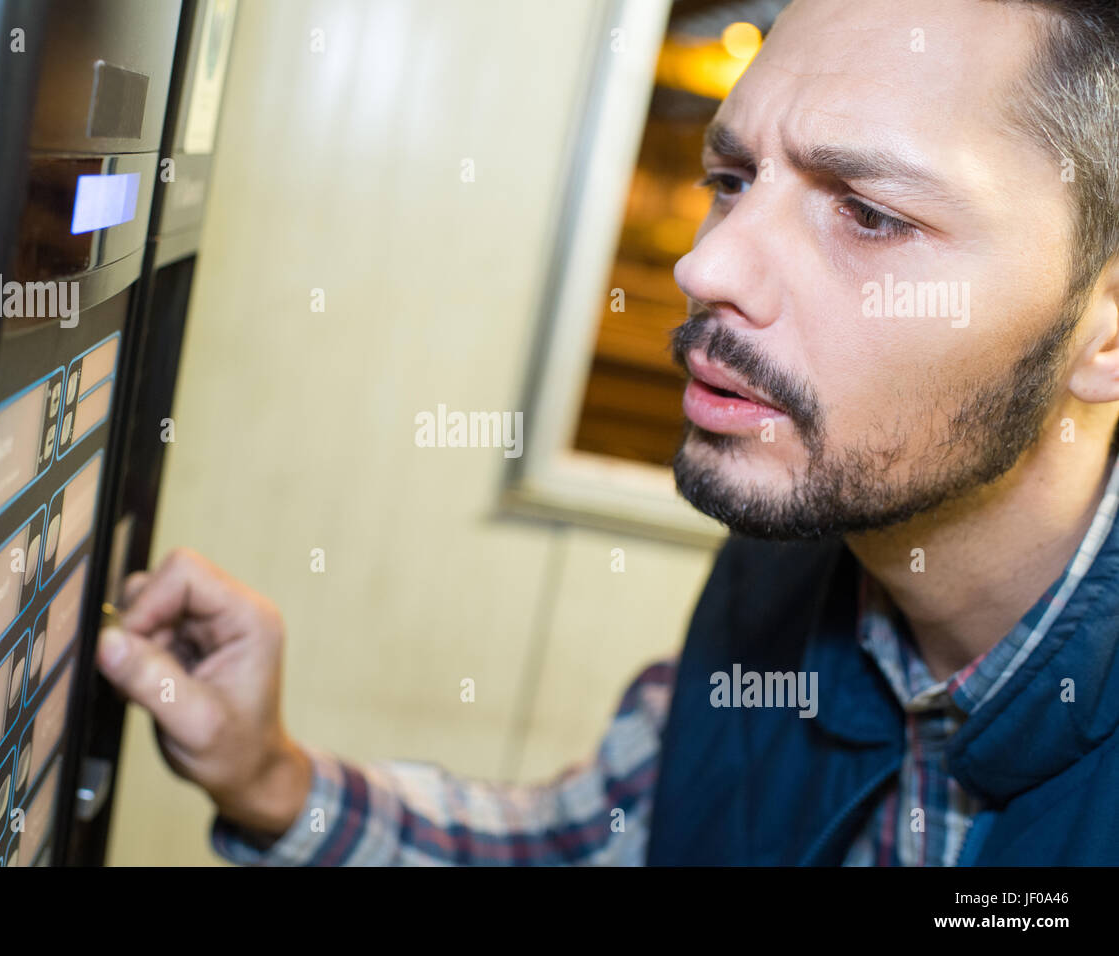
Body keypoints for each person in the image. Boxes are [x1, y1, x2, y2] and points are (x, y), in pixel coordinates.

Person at [96, 0, 1119, 864]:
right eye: (731, 181)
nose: (706, 269)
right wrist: (273, 777)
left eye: (867, 213)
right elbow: (600, 836)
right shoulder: (788, 573)